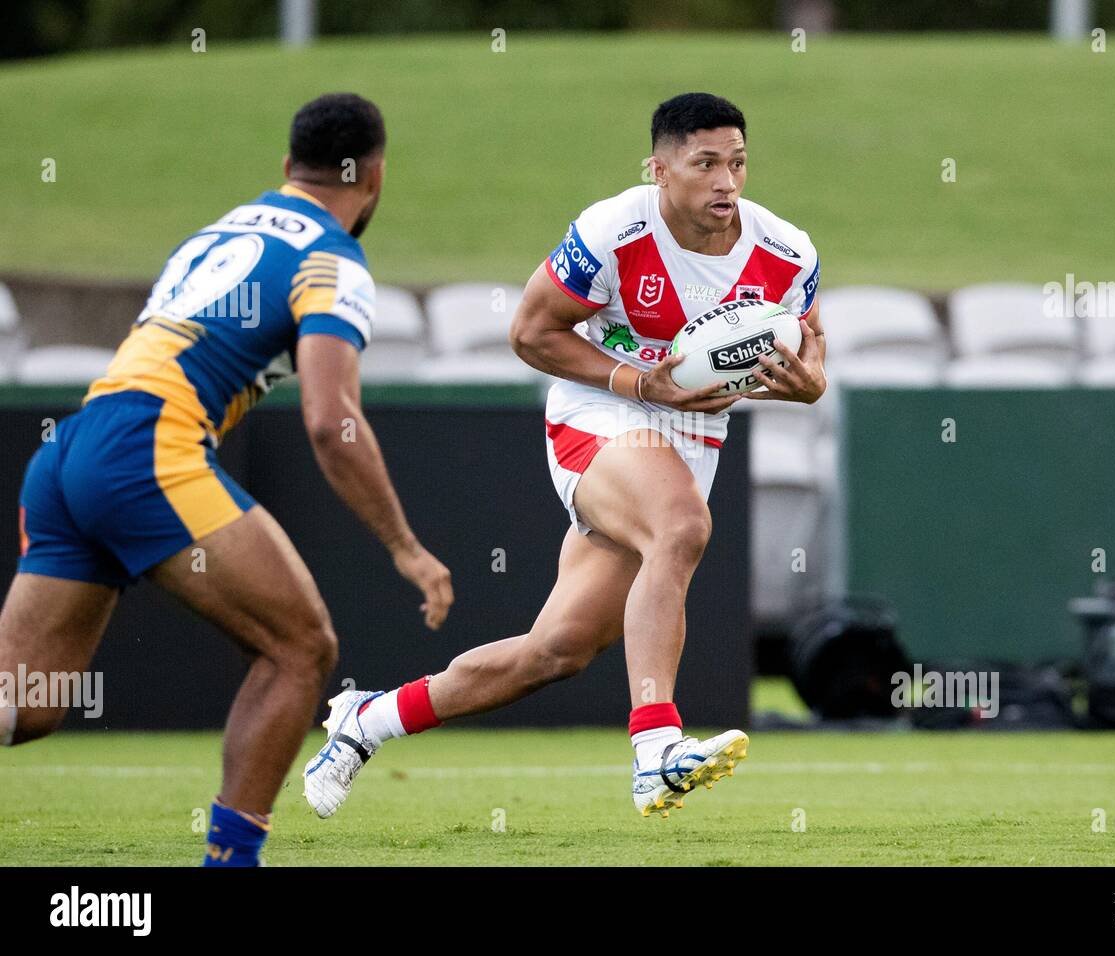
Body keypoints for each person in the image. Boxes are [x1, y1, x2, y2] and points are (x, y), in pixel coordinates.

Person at [304, 92, 825, 820]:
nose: (726, 183)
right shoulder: (615, 229)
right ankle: (656, 752)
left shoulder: (784, 249)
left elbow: (809, 338)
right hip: (602, 410)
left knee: (556, 651)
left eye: (737, 163)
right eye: (705, 164)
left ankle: (367, 721)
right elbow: (529, 331)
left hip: (692, 435)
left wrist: (809, 382)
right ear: (660, 167)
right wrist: (638, 380)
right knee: (680, 528)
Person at [0, 93, 453, 865]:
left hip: (72, 448)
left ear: (286, 169)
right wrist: (405, 546)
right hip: (148, 448)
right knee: (301, 648)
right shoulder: (334, 258)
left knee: (25, 706)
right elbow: (329, 420)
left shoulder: (222, 227)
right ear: (374, 177)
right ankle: (231, 860)